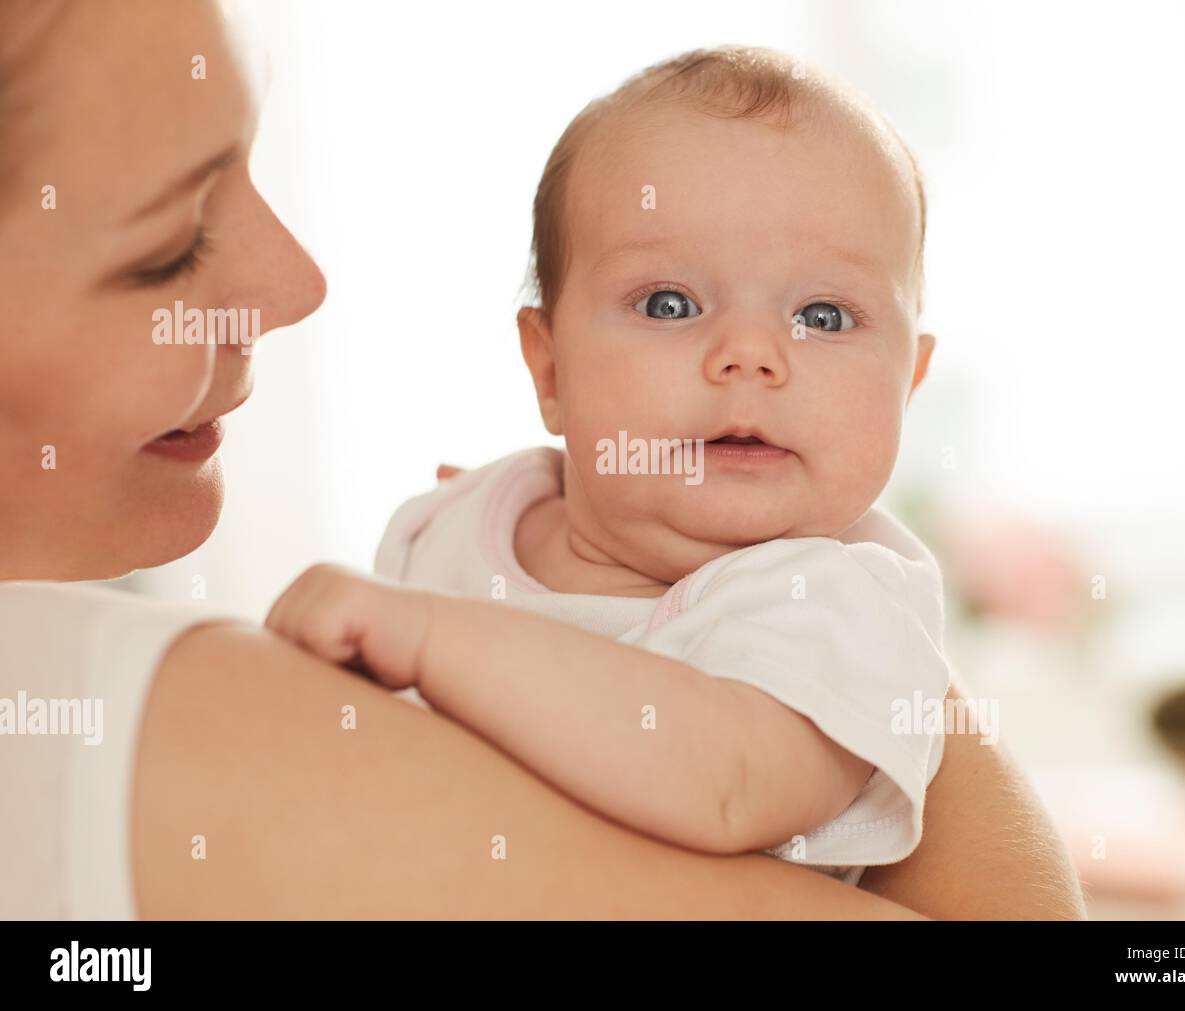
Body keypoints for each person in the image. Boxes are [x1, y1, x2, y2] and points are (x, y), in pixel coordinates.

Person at [0, 0, 1085, 920]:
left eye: (824, 314)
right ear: (547, 365)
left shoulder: (831, 602)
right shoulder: (85, 703)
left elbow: (725, 779)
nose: (751, 357)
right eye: (168, 244)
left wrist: (430, 631)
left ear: (911, 379)